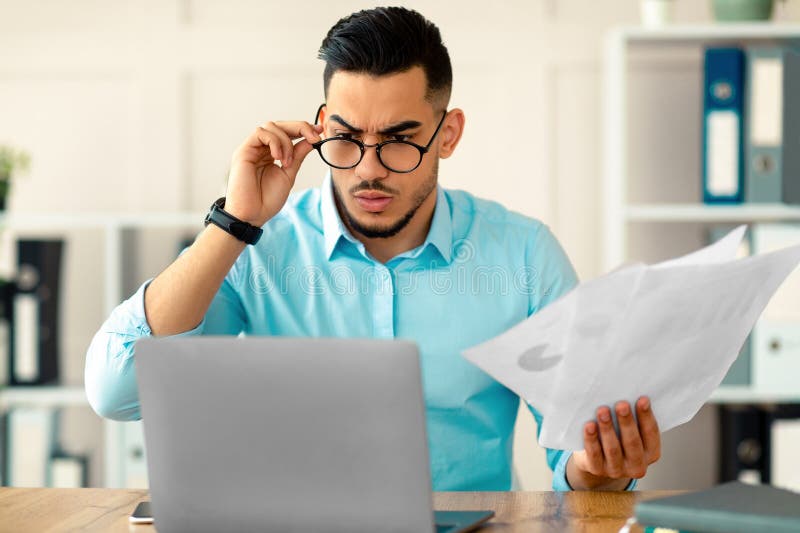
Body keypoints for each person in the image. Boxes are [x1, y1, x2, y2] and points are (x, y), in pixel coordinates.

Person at [85, 6, 661, 491]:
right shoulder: (260, 249)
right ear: (318, 128)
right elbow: (117, 392)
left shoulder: (522, 255)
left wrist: (598, 467)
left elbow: (578, 457)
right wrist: (234, 221)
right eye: (346, 137)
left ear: (448, 135)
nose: (368, 170)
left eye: (399, 141)